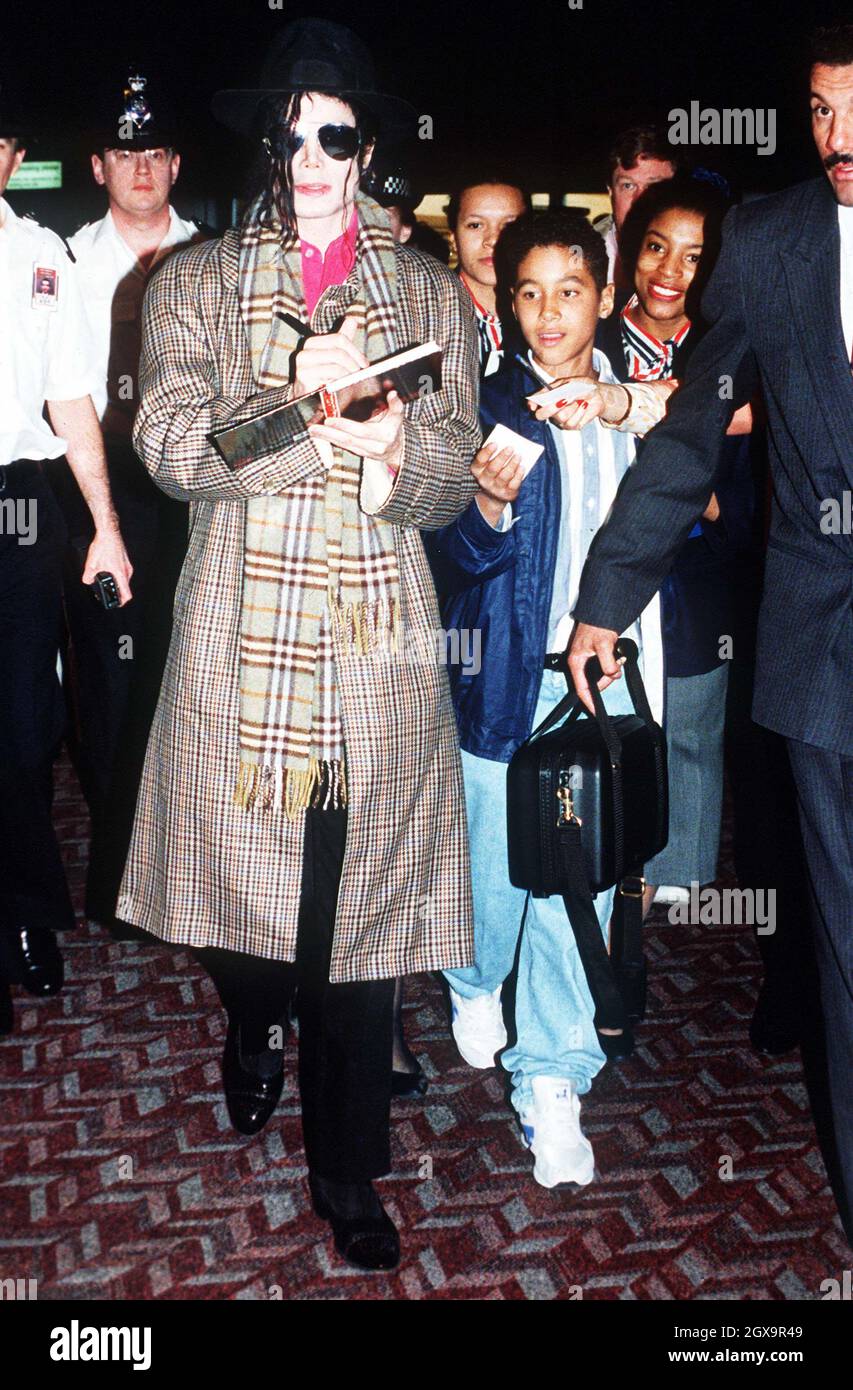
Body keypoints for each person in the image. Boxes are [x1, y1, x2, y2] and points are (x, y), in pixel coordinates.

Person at [116, 18, 480, 1271]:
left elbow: (450, 481)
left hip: (375, 652)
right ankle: (249, 1012)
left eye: (334, 130)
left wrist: (390, 451)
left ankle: (347, 1169)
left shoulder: (432, 293)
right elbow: (168, 450)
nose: (311, 151)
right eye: (290, 129)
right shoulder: (196, 283)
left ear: (365, 144)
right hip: (238, 643)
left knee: (357, 923)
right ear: (267, 145)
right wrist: (300, 404)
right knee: (244, 910)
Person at [569, 22, 853, 1244]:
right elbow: (693, 429)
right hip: (826, 643)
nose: (837, 139)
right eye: (820, 109)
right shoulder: (777, 239)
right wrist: (603, 591)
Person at [425, 211, 663, 1188]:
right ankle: (473, 978)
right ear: (507, 302)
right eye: (527, 290)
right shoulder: (493, 406)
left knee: (581, 884)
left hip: (601, 685)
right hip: (506, 684)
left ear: (603, 296)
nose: (549, 310)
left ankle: (554, 1080)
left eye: (570, 287)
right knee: (492, 872)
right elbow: (452, 561)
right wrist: (482, 507)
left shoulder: (632, 405)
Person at [52, 71, 204, 933]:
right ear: (99, 165)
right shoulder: (66, 265)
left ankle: (193, 864)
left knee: (194, 678)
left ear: (176, 164)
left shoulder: (216, 258)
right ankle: (121, 881)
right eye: (123, 153)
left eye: (154, 152)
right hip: (101, 495)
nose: (139, 167)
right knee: (110, 688)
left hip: (196, 497)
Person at [0, 94, 132, 1037]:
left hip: (13, 499)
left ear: (11, 156)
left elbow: (73, 402)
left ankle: (24, 911)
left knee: (20, 726)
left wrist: (105, 526)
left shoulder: (38, 255)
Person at [596, 175, 755, 917]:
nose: (669, 271)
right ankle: (594, 866)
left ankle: (679, 877)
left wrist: (722, 503)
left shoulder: (732, 352)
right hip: (596, 557)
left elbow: (760, 479)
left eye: (694, 258)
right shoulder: (591, 339)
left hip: (697, 571)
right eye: (656, 248)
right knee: (602, 721)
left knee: (691, 725)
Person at [446, 176, 530, 375]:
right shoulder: (427, 313)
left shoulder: (549, 313)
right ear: (454, 240)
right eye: (476, 225)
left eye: (509, 225)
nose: (492, 240)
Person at [591, 125, 679, 285]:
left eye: (653, 187)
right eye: (628, 186)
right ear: (611, 191)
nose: (639, 200)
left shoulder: (701, 265)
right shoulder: (577, 255)